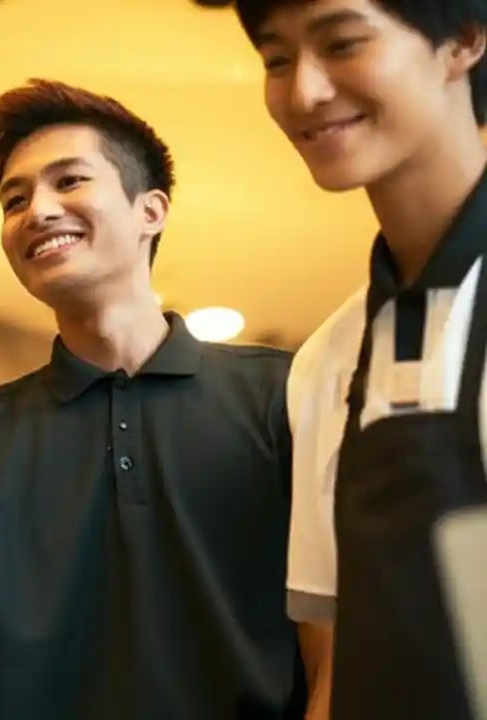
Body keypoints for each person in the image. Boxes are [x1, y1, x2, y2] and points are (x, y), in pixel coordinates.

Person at [0, 78, 329, 718]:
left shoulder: (286, 393)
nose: (38, 210)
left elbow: (336, 649)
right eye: (14, 198)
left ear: (151, 210)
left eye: (70, 181)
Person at [233, 1, 487, 717]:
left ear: (464, 39)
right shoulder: (327, 362)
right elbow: (337, 668)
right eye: (277, 60)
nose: (304, 92)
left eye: (342, 43)